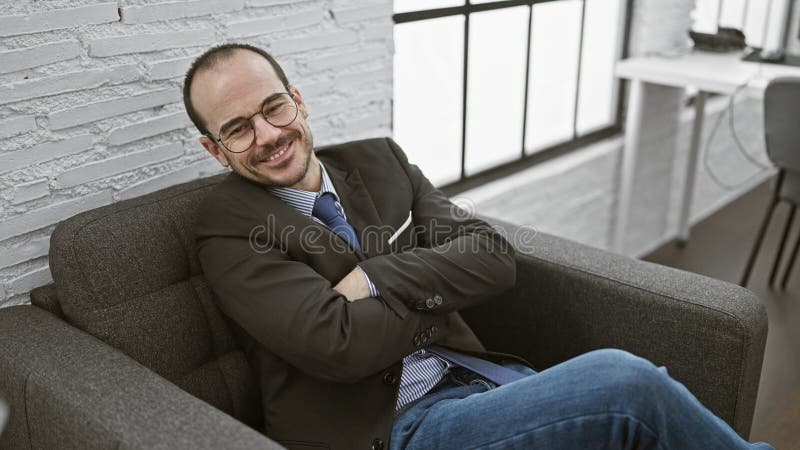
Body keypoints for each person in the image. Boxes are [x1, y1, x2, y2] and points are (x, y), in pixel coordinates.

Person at [185, 43, 773, 450]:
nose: (268, 135)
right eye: (237, 129)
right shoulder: (228, 228)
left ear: (297, 98)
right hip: (390, 429)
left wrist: (376, 278)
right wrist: (436, 286)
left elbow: (493, 257)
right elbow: (337, 345)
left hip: (479, 379)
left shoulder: (379, 162)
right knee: (627, 387)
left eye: (273, 107)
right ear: (216, 151)